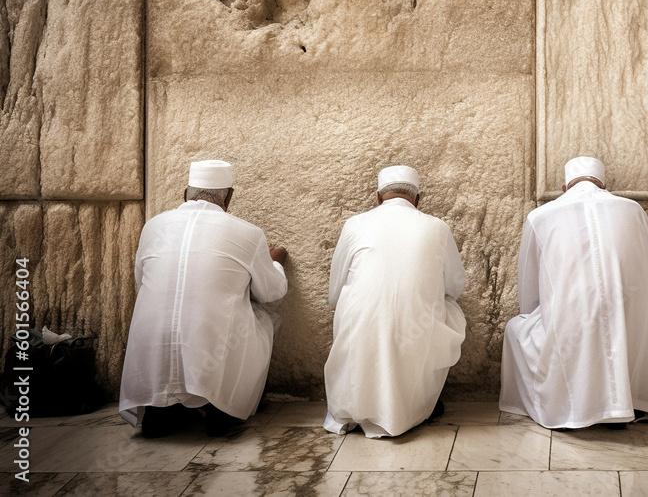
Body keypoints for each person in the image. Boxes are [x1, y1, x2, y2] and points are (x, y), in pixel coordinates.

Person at [500, 156, 648, 429]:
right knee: (624, 324)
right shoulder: (633, 210)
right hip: (630, 320)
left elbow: (530, 288)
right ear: (603, 183)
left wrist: (539, 314)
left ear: (564, 187)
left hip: (570, 325)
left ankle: (579, 404)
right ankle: (628, 400)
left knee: (517, 328)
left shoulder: (540, 216)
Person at [120, 160, 288, 437]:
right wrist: (276, 262)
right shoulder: (248, 232)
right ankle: (223, 407)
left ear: (185, 193)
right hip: (211, 346)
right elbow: (271, 292)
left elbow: (141, 282)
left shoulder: (153, 226)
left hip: (151, 346)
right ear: (229, 197)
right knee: (262, 319)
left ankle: (162, 409)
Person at [324, 165, 466, 438]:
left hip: (361, 324)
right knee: (449, 308)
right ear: (418, 199)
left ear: (378, 197)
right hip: (415, 326)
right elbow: (455, 285)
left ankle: (357, 401)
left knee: (355, 307)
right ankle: (418, 400)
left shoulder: (354, 224)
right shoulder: (437, 226)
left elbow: (335, 290)